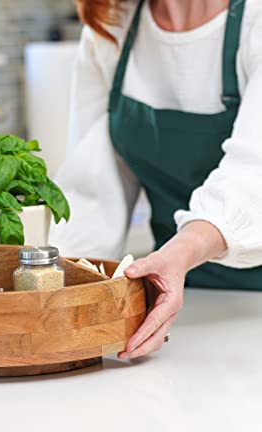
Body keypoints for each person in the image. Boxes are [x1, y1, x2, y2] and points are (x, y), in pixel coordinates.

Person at [49, 0, 262, 359]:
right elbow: (92, 192)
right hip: (184, 304)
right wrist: (66, 291)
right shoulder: (111, 24)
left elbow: (254, 174)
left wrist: (180, 253)